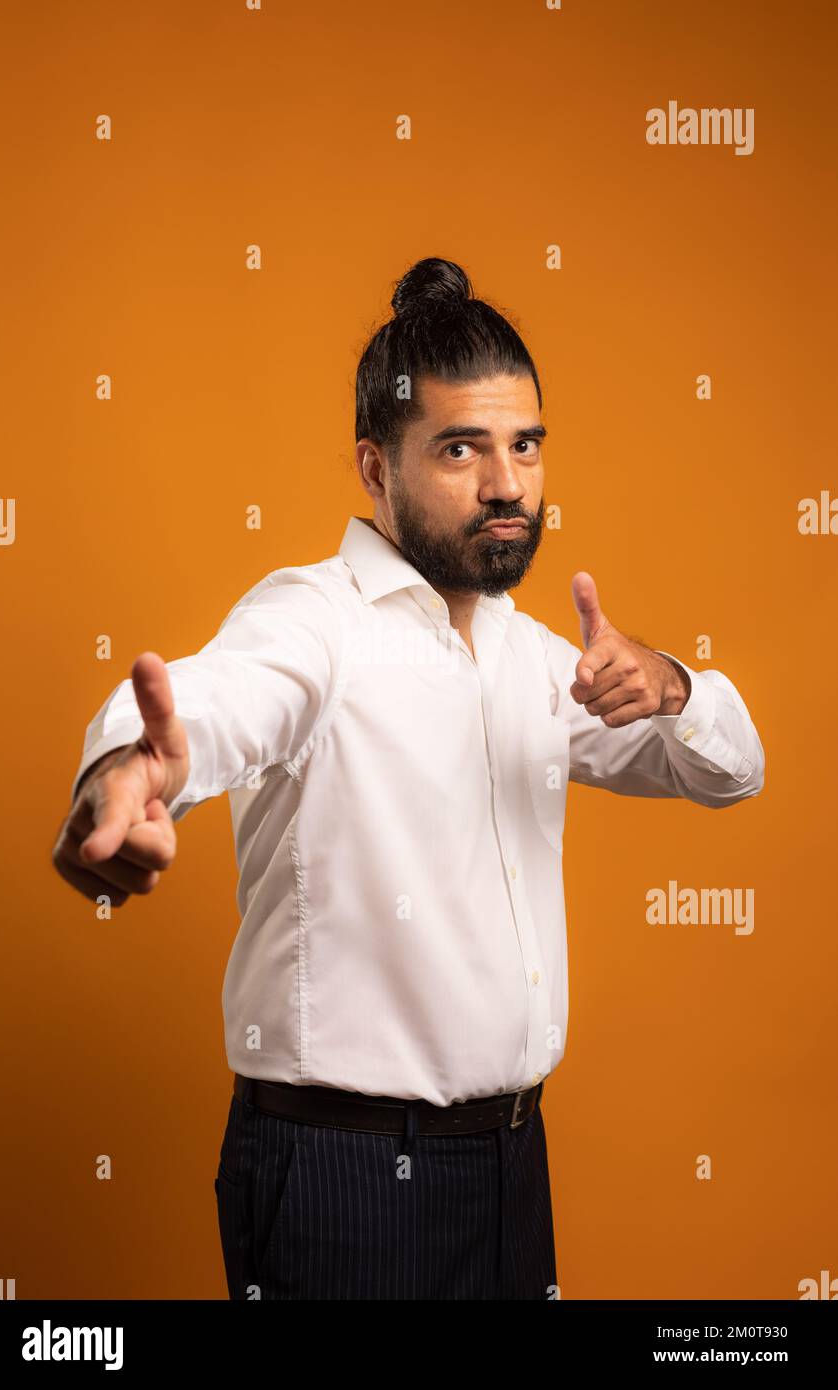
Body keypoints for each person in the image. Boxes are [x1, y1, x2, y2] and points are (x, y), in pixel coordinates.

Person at [52, 256, 765, 1300]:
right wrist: (127, 772)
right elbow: (209, 700)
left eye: (523, 446)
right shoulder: (315, 620)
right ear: (376, 469)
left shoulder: (531, 662)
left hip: (511, 1165)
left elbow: (730, 770)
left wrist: (670, 684)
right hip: (343, 1178)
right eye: (460, 449)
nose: (505, 484)